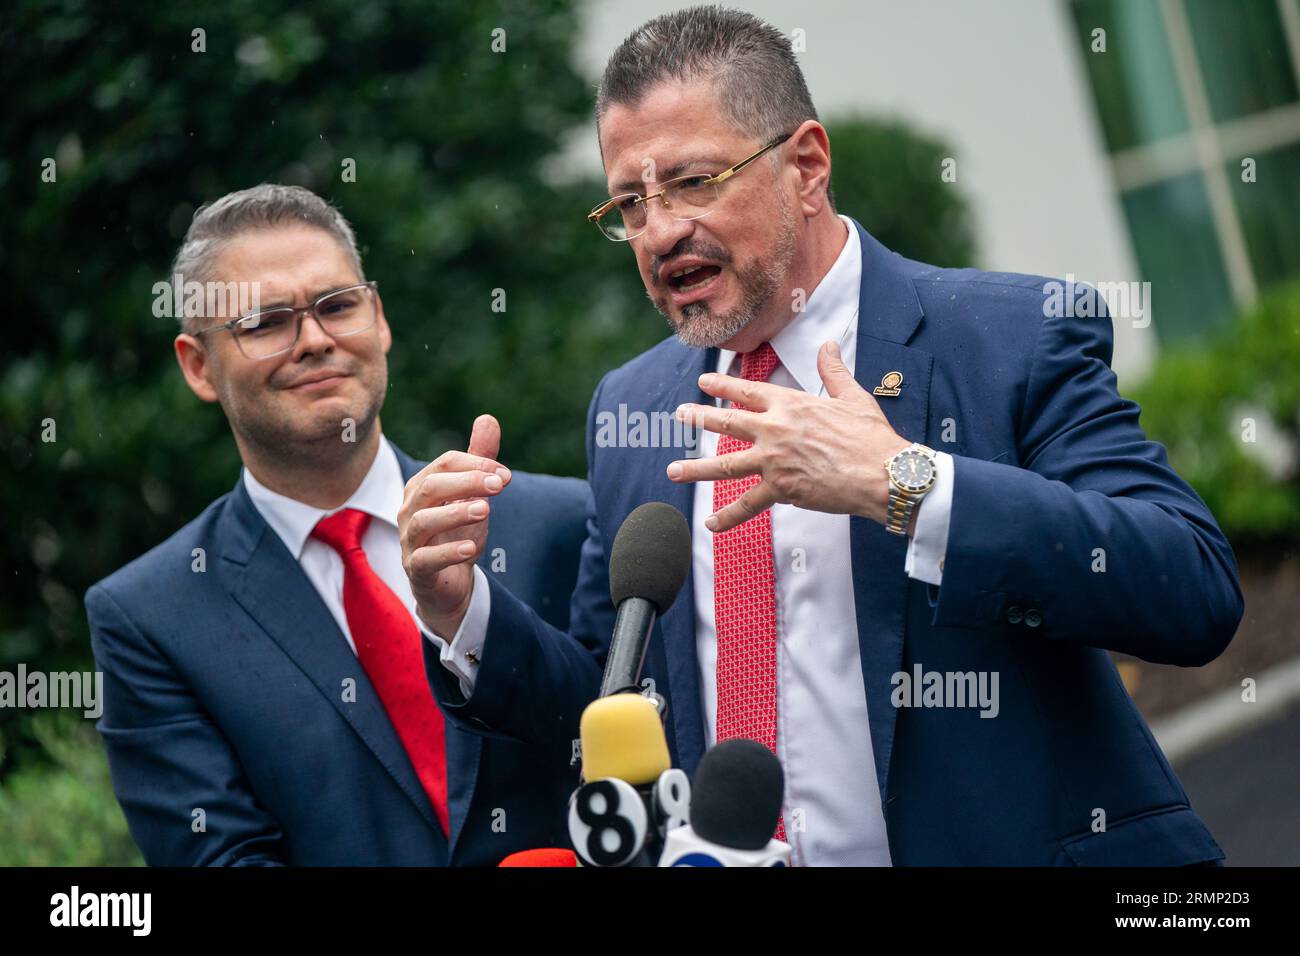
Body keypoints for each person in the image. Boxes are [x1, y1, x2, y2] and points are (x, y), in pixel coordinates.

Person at [402, 8, 1243, 865]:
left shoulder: (1009, 337)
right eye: (630, 203)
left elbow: (1193, 591)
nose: (659, 232)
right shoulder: (632, 408)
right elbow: (611, 698)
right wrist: (461, 613)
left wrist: (905, 485)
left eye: (693, 182)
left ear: (805, 166)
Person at [85, 184, 587, 865]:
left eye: (337, 306)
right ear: (198, 366)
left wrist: (471, 621)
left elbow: (631, 755)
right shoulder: (150, 616)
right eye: (265, 322)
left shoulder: (558, 523)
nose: (315, 341)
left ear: (379, 319)